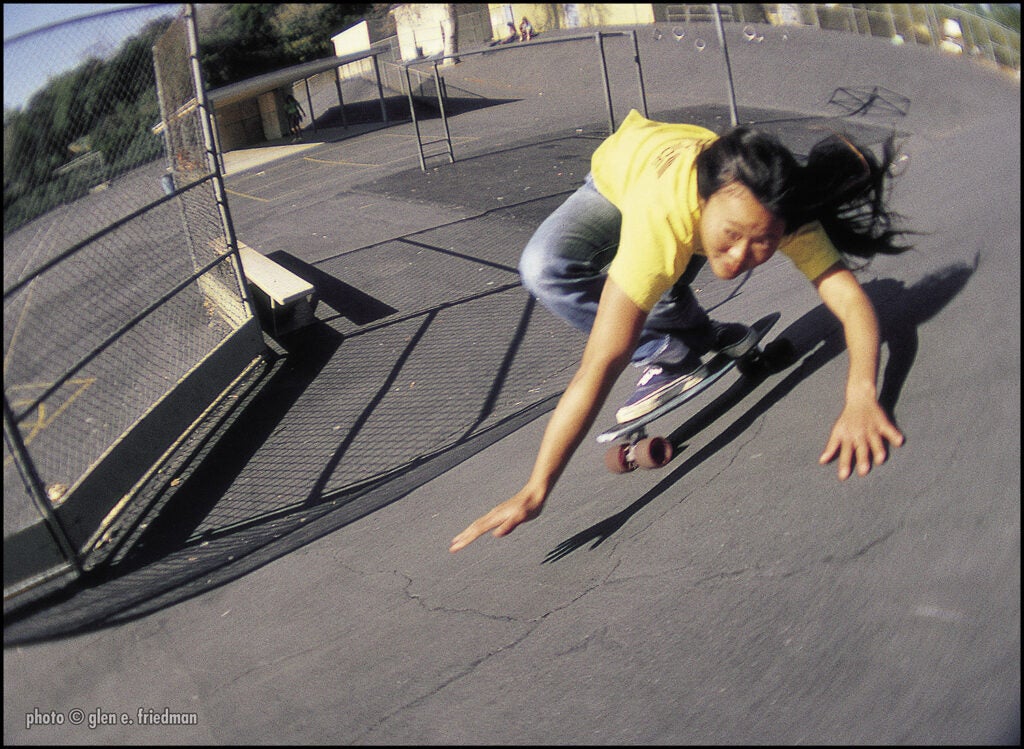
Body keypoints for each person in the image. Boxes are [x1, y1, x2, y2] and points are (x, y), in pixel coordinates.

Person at [450, 109, 910, 553]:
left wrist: (861, 395)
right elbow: (600, 364)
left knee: (656, 279)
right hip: (617, 178)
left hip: (680, 177)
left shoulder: (778, 211)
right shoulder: (662, 225)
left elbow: (851, 302)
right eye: (730, 235)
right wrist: (536, 489)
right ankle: (669, 347)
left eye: (762, 242)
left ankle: (689, 328)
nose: (738, 256)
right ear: (704, 201)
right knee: (543, 267)